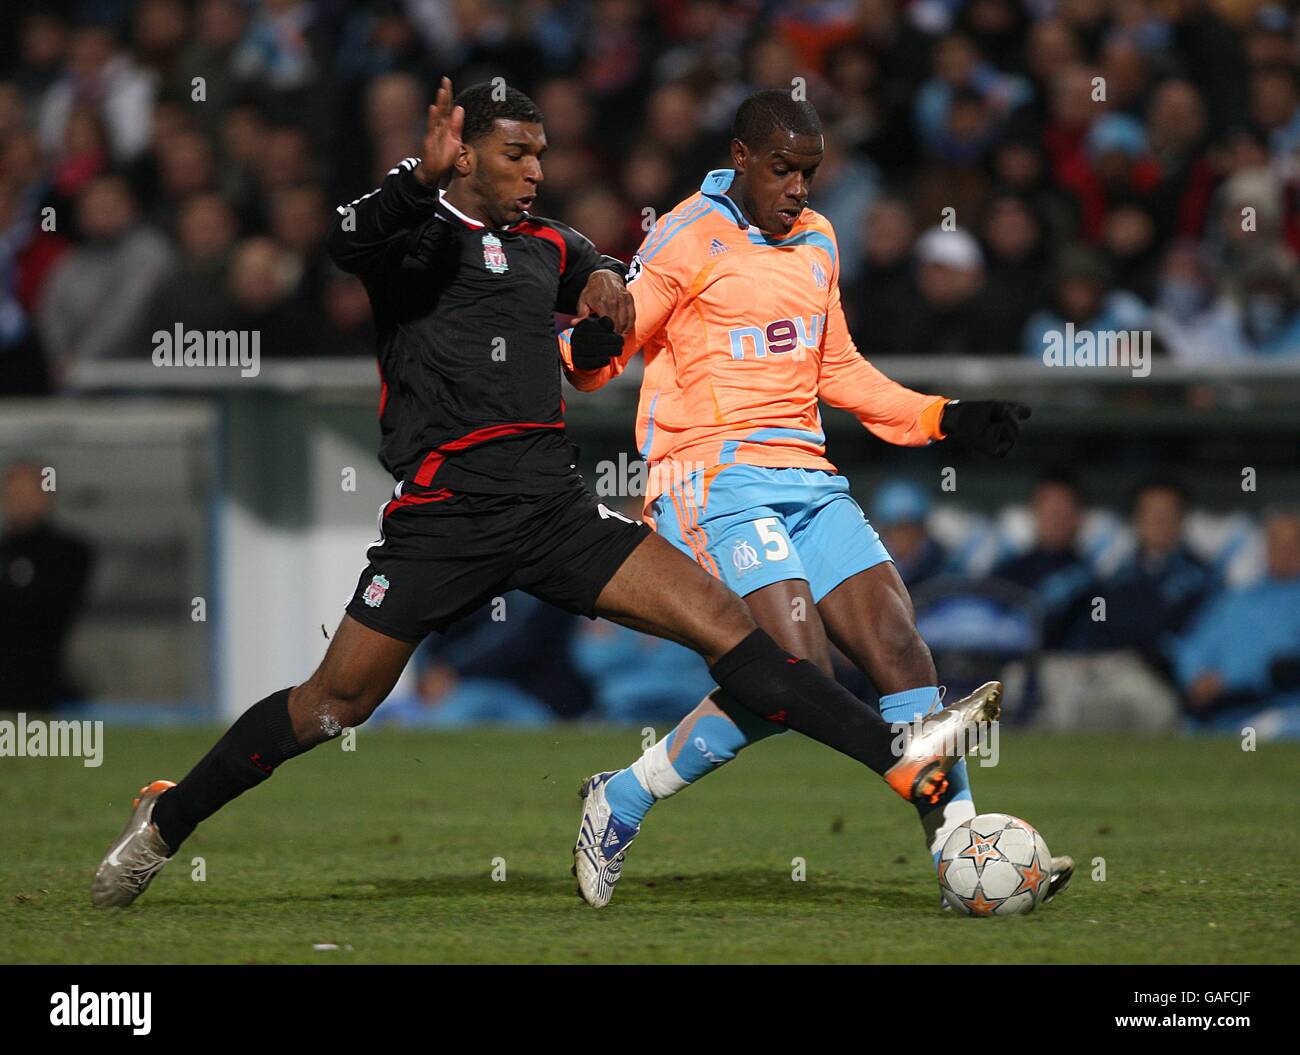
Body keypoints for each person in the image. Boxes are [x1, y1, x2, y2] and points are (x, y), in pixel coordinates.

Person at [91, 79, 997, 909]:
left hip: (554, 510)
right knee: (335, 703)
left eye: (541, 154)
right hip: (444, 516)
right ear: (466, 153)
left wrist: (604, 296)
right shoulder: (412, 236)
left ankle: (896, 762)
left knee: (736, 631)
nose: (535, 171)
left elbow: (605, 298)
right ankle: (168, 818)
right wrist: (417, 172)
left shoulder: (546, 244)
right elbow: (343, 238)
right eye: (516, 154)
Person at [560, 89, 1064, 909]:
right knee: (794, 670)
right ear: (742, 159)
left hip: (808, 477)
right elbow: (608, 346)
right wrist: (582, 349)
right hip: (710, 473)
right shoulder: (687, 235)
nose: (799, 188)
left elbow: (839, 372)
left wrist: (945, 417)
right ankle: (623, 796)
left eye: (812, 173)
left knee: (900, 649)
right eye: (785, 170)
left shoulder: (820, 241)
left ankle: (960, 862)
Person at [0, 461, 94, 711]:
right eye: (15, 493)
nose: (22, 501)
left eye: (30, 493)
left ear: (47, 498)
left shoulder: (69, 552)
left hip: (46, 685)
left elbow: (52, 609)